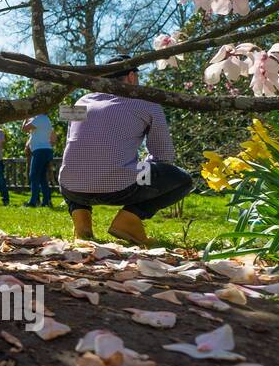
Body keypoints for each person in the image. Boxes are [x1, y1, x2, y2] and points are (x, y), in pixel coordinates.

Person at [58, 55, 192, 246]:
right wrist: (141, 165)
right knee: (183, 180)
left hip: (71, 188)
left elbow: (73, 144)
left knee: (77, 166)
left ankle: (82, 224)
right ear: (131, 76)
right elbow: (164, 156)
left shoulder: (81, 101)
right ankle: (128, 220)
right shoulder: (147, 102)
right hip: (120, 189)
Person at [22, 111, 55, 207]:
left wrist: (26, 118)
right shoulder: (46, 119)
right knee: (42, 177)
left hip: (40, 151)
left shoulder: (39, 118)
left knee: (34, 176)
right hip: (46, 150)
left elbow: (24, 129)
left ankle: (33, 202)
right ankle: (46, 201)